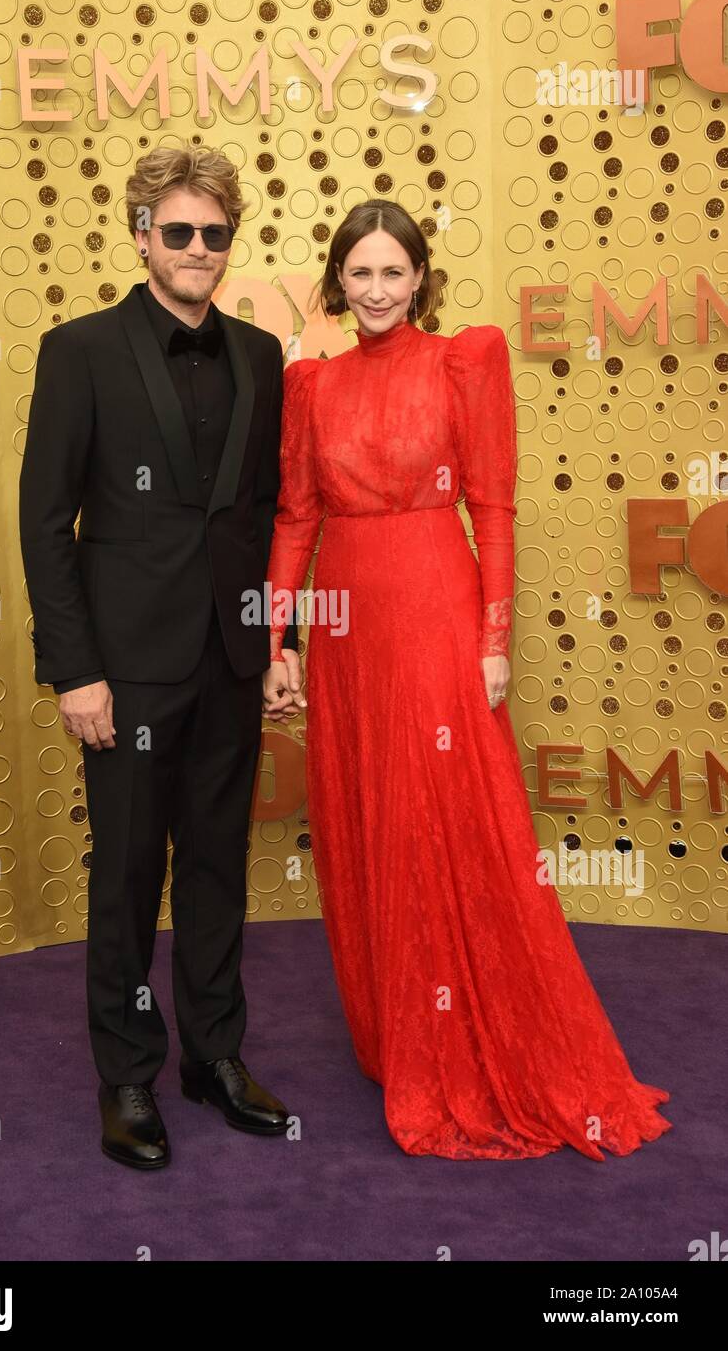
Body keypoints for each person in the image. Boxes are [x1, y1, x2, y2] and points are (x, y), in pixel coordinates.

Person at [263, 198, 672, 1161]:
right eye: (357, 275)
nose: (374, 291)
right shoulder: (309, 384)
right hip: (347, 625)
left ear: (419, 280)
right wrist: (274, 641)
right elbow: (293, 518)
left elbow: (492, 506)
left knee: (444, 815)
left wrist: (493, 638)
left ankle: (468, 1034)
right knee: (370, 816)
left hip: (437, 612)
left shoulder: (465, 360)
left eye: (391, 274)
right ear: (337, 283)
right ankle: (398, 1028)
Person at [19, 142, 298, 1171]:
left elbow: (272, 512)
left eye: (213, 234)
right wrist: (74, 669)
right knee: (129, 876)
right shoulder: (79, 350)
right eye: (176, 230)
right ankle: (128, 1073)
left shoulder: (262, 356)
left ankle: (213, 1058)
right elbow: (47, 522)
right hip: (124, 669)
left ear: (231, 241)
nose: (195, 249)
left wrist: (280, 640)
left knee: (219, 867)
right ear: (142, 235)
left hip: (230, 659)